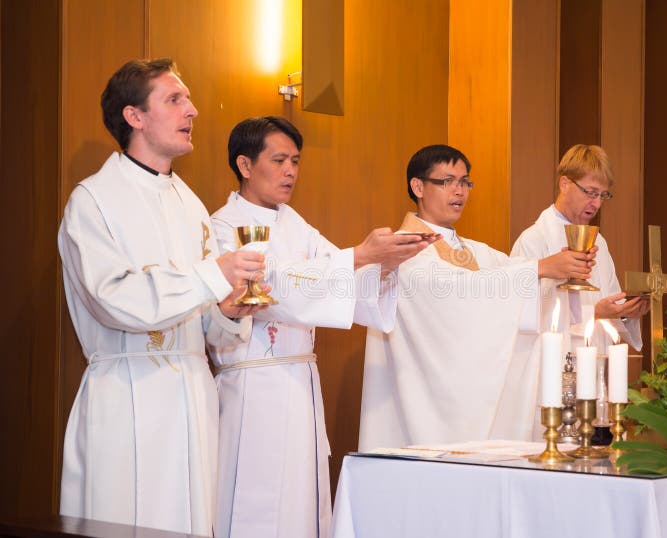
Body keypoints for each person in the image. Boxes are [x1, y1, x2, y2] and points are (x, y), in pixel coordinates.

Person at [58, 58, 265, 536]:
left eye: (188, 100)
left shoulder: (189, 202)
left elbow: (209, 326)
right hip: (129, 392)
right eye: (175, 100)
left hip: (192, 394)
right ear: (135, 116)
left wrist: (230, 312)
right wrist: (213, 276)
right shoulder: (93, 200)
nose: (192, 110)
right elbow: (112, 300)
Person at [208, 116, 435, 538]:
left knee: (300, 500)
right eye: (278, 160)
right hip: (252, 385)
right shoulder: (221, 225)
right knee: (252, 502)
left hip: (299, 381)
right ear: (244, 164)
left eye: (295, 160)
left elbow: (343, 276)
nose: (291, 170)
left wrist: (386, 264)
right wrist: (359, 256)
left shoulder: (295, 223)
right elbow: (266, 287)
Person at [358, 144, 596, 451]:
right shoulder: (400, 251)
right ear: (418, 186)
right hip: (424, 408)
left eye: (465, 182)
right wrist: (540, 268)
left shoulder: (473, 250)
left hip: (465, 393)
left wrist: (558, 268)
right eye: (447, 182)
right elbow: (454, 292)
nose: (459, 191)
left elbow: (509, 272)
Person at [511, 144, 650, 353]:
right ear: (565, 183)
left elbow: (610, 299)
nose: (596, 204)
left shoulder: (599, 242)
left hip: (594, 360)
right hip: (553, 365)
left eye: (603, 195)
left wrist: (623, 312)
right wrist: (594, 312)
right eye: (591, 192)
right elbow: (519, 316)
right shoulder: (534, 240)